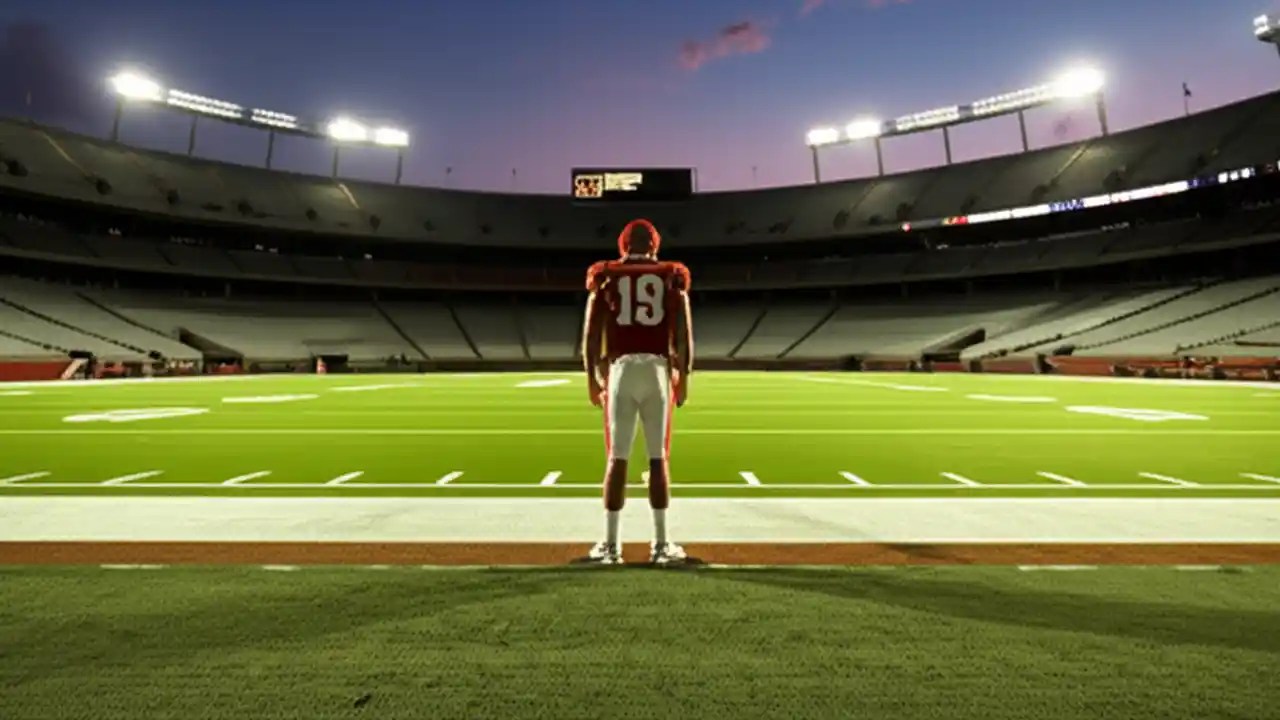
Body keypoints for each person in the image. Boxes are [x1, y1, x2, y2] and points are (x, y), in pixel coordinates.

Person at [580, 218, 694, 565]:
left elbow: (590, 332)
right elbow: (684, 331)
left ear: (623, 244)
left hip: (621, 368)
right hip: (658, 368)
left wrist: (590, 377)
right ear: (655, 243)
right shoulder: (670, 274)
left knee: (617, 459)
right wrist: (684, 377)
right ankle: (661, 546)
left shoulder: (606, 274)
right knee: (658, 458)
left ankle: (611, 547)